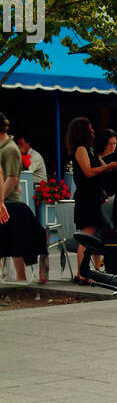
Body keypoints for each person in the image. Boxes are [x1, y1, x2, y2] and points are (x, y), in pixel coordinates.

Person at [67, 118, 117, 282]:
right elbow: (89, 171)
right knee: (86, 236)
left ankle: (90, 270)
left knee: (92, 235)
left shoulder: (90, 150)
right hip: (86, 198)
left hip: (93, 197)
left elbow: (104, 164)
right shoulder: (81, 149)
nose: (93, 131)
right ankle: (82, 272)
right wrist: (108, 166)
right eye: (90, 128)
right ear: (83, 131)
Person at [0, 112, 48, 282]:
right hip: (6, 200)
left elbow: (12, 177)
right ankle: (18, 278)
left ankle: (20, 278)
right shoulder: (3, 148)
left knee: (15, 244)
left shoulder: (10, 149)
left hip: (9, 201)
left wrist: (0, 200)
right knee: (12, 243)